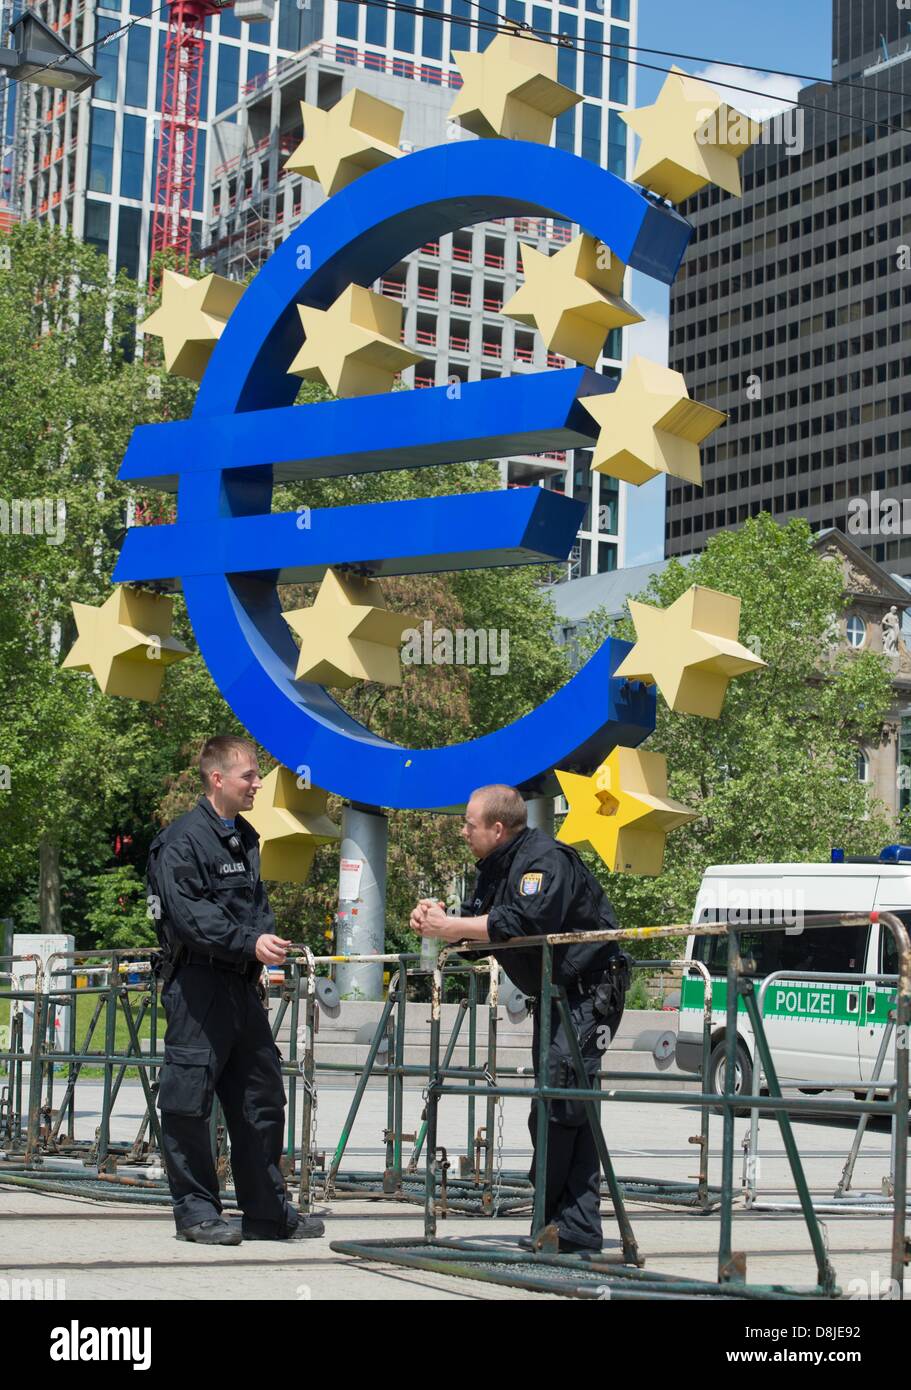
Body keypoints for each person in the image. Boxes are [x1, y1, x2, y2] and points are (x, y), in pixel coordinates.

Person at [410, 783, 629, 1255]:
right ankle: (572, 1225)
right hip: (555, 996)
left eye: (469, 824)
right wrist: (440, 920)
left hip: (589, 992)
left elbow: (528, 923)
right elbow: (481, 932)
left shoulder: (545, 860)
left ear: (497, 827)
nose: (464, 832)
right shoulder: (498, 867)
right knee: (562, 1102)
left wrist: (453, 927)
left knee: (561, 1100)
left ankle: (563, 1223)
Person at [146, 735, 324, 1246]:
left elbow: (254, 907)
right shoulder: (180, 841)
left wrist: (260, 946)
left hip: (241, 987)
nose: (258, 784)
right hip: (198, 986)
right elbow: (190, 918)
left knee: (261, 1098)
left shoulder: (244, 835)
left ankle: (267, 1212)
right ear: (217, 779)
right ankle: (197, 1212)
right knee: (188, 1101)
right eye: (249, 775)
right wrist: (250, 942)